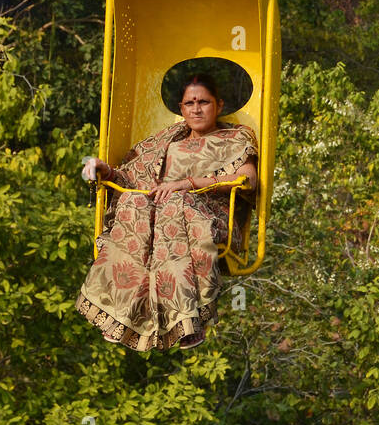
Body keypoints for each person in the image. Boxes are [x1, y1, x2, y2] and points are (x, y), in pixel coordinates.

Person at [78, 74, 259, 351]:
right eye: (189, 103)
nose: (196, 109)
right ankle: (121, 314)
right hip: (159, 211)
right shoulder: (168, 139)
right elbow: (134, 179)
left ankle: (188, 319)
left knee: (174, 206)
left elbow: (248, 179)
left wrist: (188, 184)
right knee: (135, 203)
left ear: (219, 105)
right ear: (181, 108)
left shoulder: (235, 138)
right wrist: (107, 171)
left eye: (203, 102)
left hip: (207, 213)